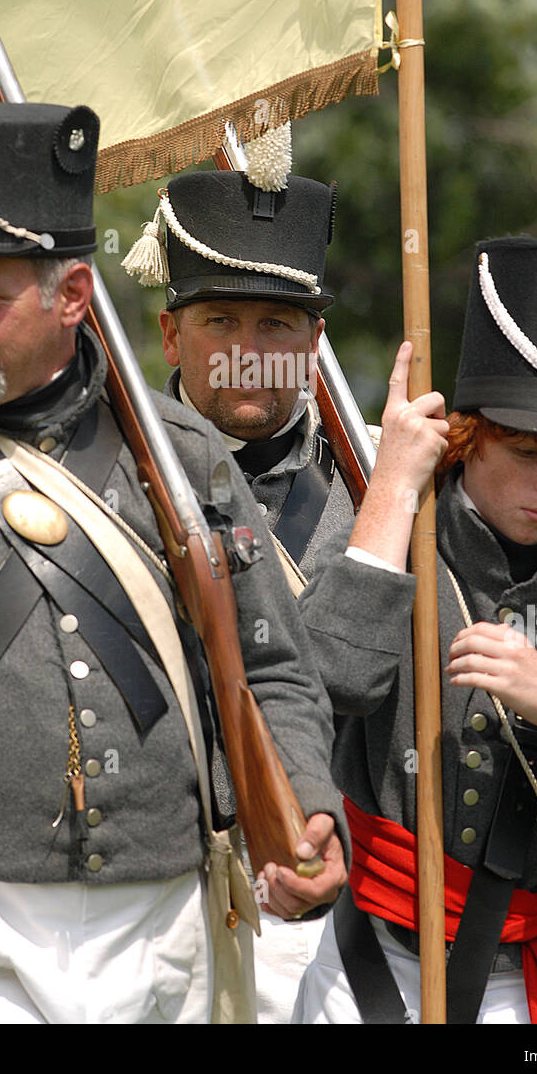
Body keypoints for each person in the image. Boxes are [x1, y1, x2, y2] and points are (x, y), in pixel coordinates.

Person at [0, 1, 346, 1025]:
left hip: (168, 927)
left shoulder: (184, 456)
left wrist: (306, 805)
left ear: (72, 296)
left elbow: (274, 669)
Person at [294, 186, 537, 1024]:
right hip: (359, 970)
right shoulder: (379, 541)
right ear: (469, 440)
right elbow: (315, 693)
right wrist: (392, 491)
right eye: (524, 450)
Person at [124, 147, 356, 1020]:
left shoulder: (380, 489)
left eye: (277, 323)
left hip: (337, 918)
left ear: (314, 343)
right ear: (169, 336)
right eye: (220, 320)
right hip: (148, 908)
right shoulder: (102, 478)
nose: (248, 353)